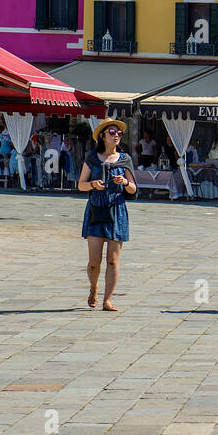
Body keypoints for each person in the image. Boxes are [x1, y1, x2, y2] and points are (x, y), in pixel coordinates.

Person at [77, 119, 138, 312]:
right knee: (94, 262)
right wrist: (93, 185)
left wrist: (125, 183)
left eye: (119, 133)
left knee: (113, 260)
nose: (117, 135)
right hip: (96, 208)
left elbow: (134, 188)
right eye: (112, 132)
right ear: (102, 136)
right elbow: (80, 185)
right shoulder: (93, 158)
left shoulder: (125, 159)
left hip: (116, 209)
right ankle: (93, 288)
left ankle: (107, 300)